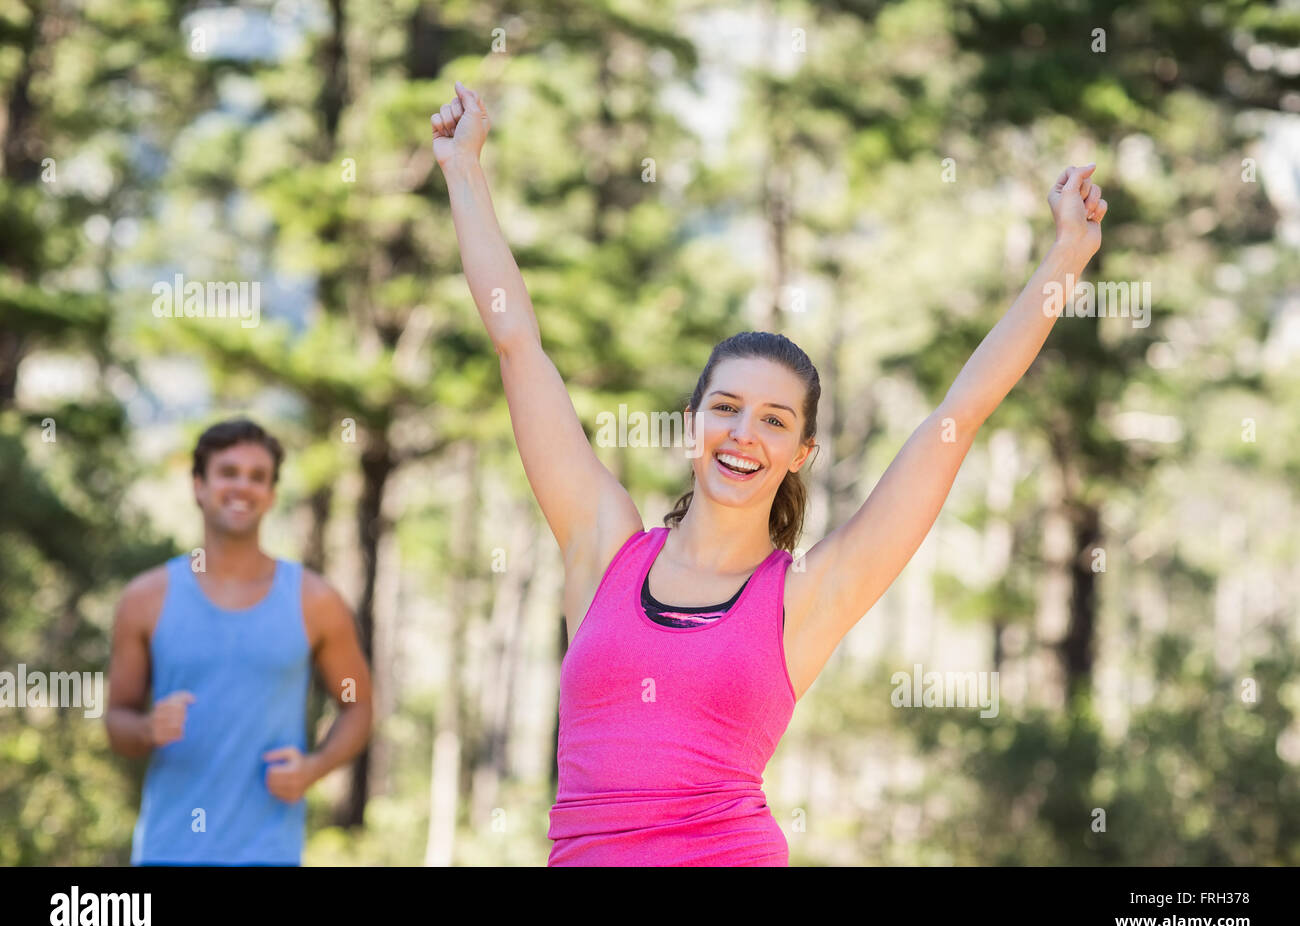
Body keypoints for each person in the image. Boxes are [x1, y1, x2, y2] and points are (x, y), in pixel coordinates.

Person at [431, 81, 1107, 865]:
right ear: (694, 425)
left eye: (775, 421)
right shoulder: (605, 547)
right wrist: (463, 170)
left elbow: (958, 418)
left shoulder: (803, 596)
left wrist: (1066, 257)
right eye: (726, 408)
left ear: (800, 454)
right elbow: (519, 345)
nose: (743, 435)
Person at [105, 418, 373, 865]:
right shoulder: (145, 599)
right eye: (228, 472)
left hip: (269, 853)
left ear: (270, 494)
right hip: (168, 850)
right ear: (198, 486)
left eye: (257, 477)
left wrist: (314, 768)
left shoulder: (315, 601)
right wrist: (147, 729)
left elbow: (359, 706)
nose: (242, 487)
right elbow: (117, 720)